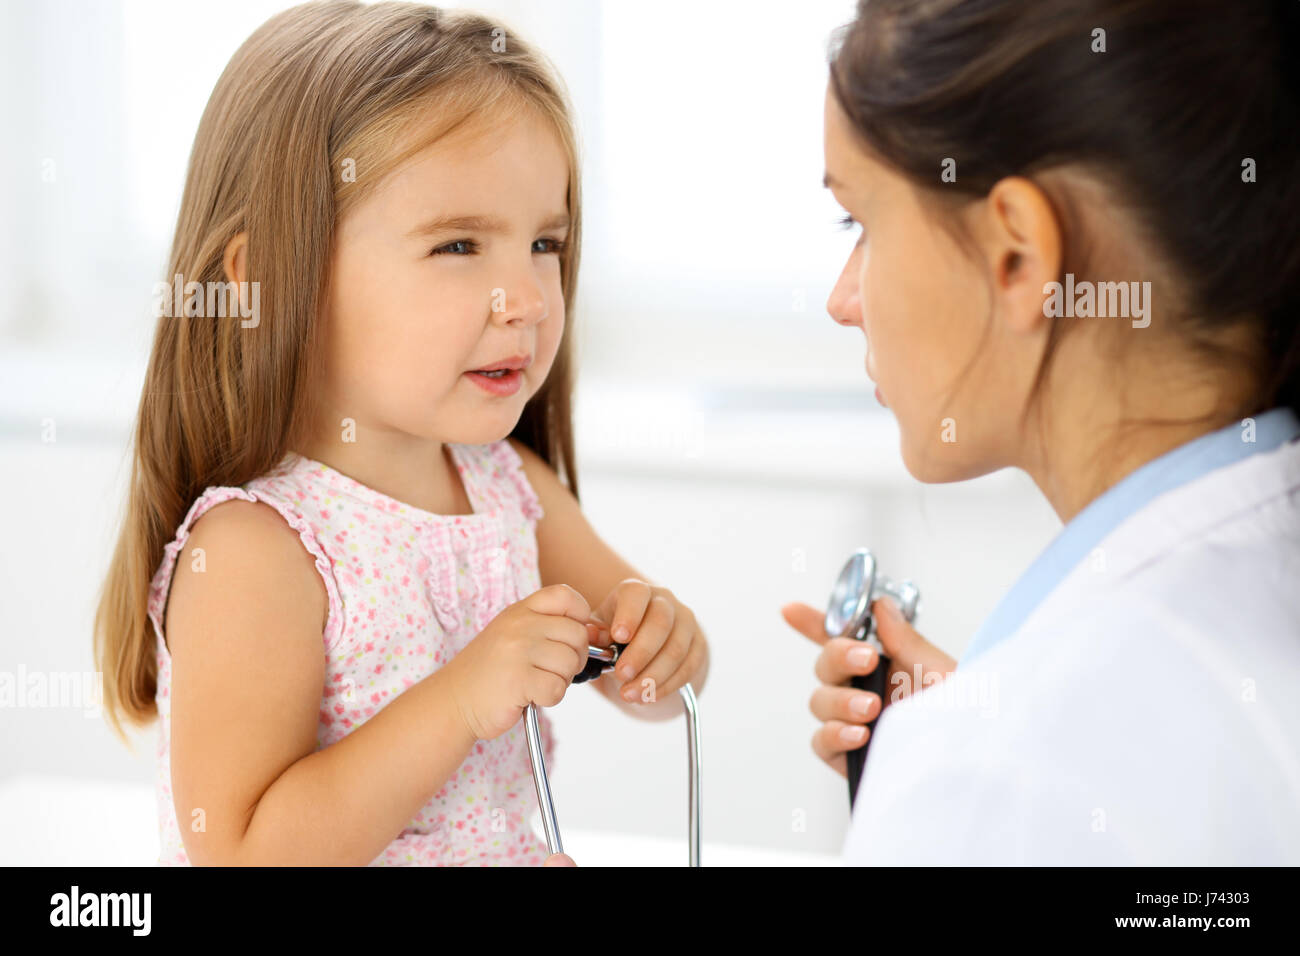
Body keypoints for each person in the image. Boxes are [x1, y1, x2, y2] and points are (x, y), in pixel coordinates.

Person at [92, 1, 709, 867]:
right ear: (271, 278)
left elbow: (651, 686)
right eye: (459, 246)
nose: (528, 297)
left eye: (544, 242)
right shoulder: (253, 553)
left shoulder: (508, 485)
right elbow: (238, 855)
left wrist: (664, 649)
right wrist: (461, 701)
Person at [783, 0, 1300, 864]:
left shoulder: (998, 773)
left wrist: (970, 779)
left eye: (861, 223)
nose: (843, 300)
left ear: (1018, 254)